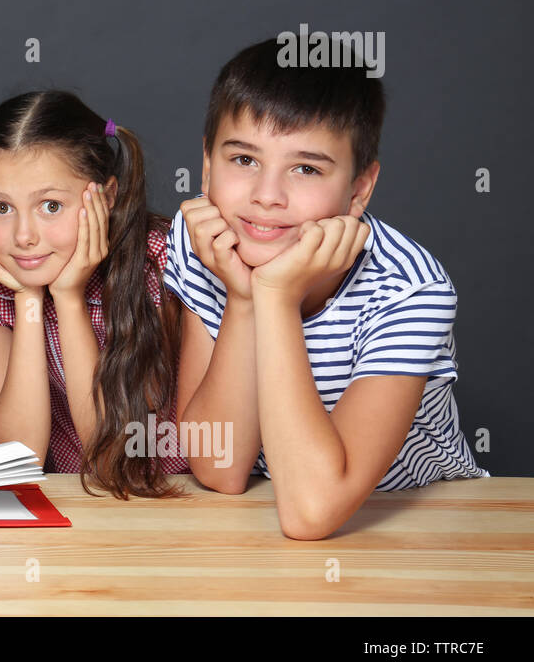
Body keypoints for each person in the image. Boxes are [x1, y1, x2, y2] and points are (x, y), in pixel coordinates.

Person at [165, 38, 487, 540]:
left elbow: (313, 512)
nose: (266, 197)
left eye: (306, 168)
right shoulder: (206, 240)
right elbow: (219, 467)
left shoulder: (410, 290)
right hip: (268, 507)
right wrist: (245, 298)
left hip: (417, 518)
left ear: (359, 189)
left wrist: (275, 296)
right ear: (206, 166)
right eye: (244, 160)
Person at [0, 91, 187, 498]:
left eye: (51, 206)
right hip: (70, 499)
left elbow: (116, 455)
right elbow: (16, 458)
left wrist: (69, 298)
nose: (24, 236)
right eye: (1, 208)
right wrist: (28, 299)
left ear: (106, 199)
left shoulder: (157, 263)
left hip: (170, 494)